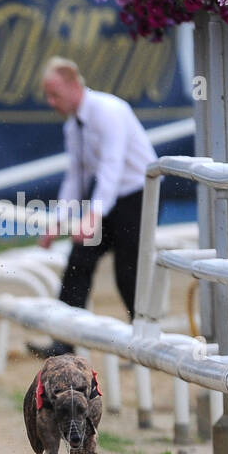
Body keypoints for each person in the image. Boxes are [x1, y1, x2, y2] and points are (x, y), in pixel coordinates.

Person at [28, 56, 158, 358]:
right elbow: (75, 177)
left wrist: (92, 216)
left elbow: (112, 169)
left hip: (138, 196)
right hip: (108, 198)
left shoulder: (109, 111)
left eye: (54, 94)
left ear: (74, 86)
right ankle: (63, 341)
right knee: (78, 262)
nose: (50, 102)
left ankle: (146, 343)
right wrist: (58, 222)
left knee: (128, 271)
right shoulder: (73, 126)